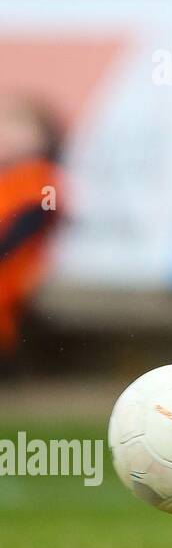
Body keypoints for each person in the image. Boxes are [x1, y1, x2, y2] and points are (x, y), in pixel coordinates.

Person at [0, 98, 62, 366]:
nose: (7, 135)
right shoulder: (8, 179)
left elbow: (20, 231)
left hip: (11, 283)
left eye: (19, 127)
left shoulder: (40, 179)